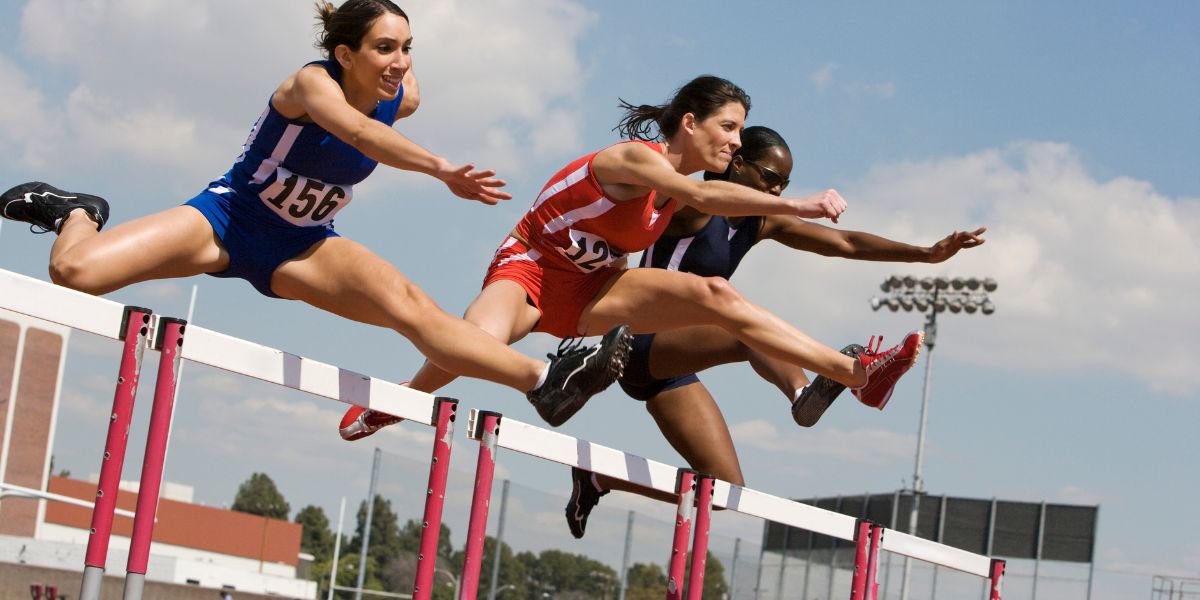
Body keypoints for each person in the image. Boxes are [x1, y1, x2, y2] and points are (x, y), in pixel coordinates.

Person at [0, 0, 631, 421]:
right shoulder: (309, 84)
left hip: (303, 243)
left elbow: (381, 113)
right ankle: (77, 211)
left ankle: (546, 378)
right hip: (227, 220)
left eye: (407, 47)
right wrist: (440, 169)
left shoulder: (402, 93)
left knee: (413, 310)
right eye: (384, 48)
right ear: (345, 54)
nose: (400, 63)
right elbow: (358, 133)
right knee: (74, 274)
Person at [339, 76, 923, 452]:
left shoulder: (683, 185)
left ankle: (857, 374)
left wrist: (918, 250)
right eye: (728, 127)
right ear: (690, 123)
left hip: (595, 286)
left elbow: (716, 199)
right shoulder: (636, 160)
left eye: (741, 131)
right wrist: (798, 202)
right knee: (473, 342)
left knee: (717, 295)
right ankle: (398, 401)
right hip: (531, 269)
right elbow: (703, 195)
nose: (736, 142)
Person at [564, 125, 987, 537]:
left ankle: (599, 478)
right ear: (737, 163)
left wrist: (926, 254)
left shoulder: (760, 221)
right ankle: (806, 393)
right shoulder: (695, 205)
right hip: (638, 340)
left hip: (669, 368)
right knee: (742, 321)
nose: (777, 191)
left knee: (724, 489)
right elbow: (658, 197)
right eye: (769, 178)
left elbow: (845, 243)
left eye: (784, 184)